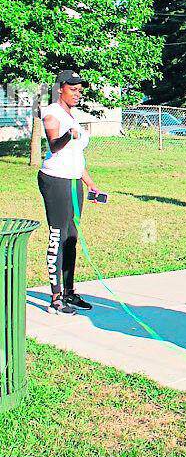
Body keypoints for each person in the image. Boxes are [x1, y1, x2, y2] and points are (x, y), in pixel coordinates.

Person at [38, 69, 100, 315]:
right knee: (58, 236)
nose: (78, 93)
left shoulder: (71, 115)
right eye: (73, 89)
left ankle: (70, 292)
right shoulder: (52, 114)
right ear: (60, 88)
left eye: (80, 90)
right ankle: (55, 297)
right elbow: (55, 145)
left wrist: (90, 183)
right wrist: (67, 135)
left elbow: (76, 157)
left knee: (72, 238)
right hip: (55, 181)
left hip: (74, 181)